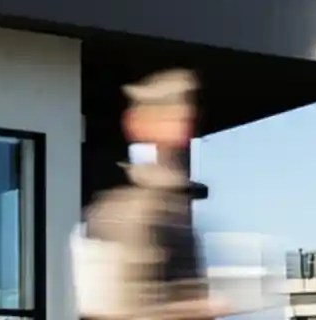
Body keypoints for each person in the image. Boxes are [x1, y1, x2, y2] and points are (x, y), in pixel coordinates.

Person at [81, 68, 226, 320]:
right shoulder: (117, 214)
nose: (182, 126)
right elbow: (112, 309)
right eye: (168, 116)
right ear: (136, 122)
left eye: (183, 117)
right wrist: (199, 307)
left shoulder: (173, 205)